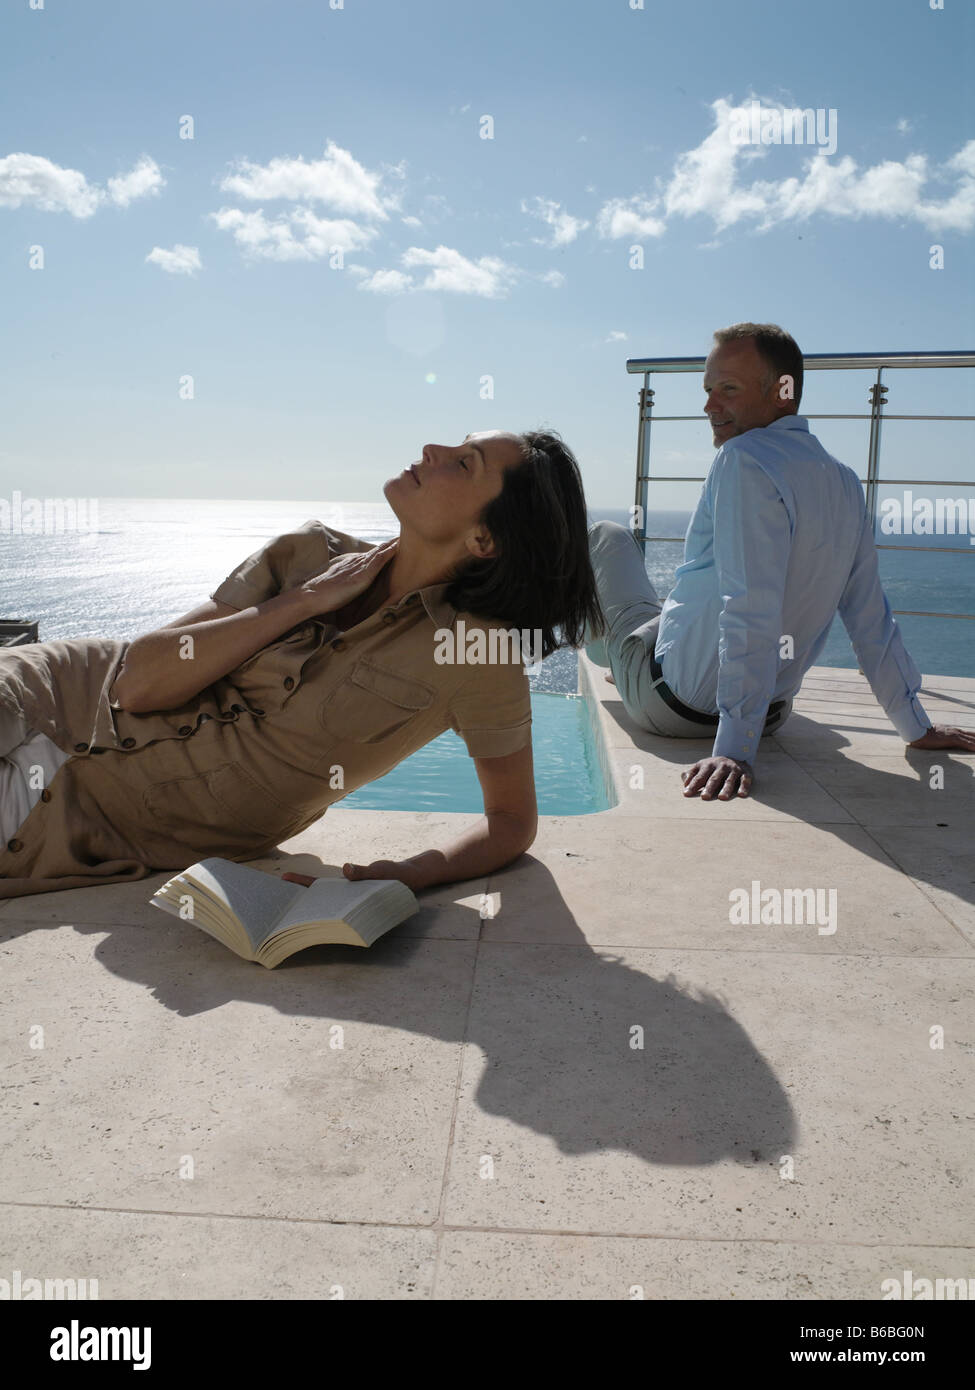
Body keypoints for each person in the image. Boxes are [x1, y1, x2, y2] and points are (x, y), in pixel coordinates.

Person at [0, 429, 602, 897]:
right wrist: (305, 600)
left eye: (464, 461)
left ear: (485, 540)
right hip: (50, 694)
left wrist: (413, 872)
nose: (432, 448)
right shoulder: (309, 553)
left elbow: (511, 820)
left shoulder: (476, 654)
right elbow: (135, 682)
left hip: (95, 826)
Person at [586, 323, 975, 802]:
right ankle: (625, 656)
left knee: (607, 537)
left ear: (784, 391)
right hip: (773, 715)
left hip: (673, 708)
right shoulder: (847, 482)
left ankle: (606, 654)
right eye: (708, 390)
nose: (709, 406)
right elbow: (871, 616)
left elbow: (749, 608)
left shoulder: (741, 458)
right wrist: (914, 726)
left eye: (727, 389)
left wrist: (734, 749)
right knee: (670, 612)